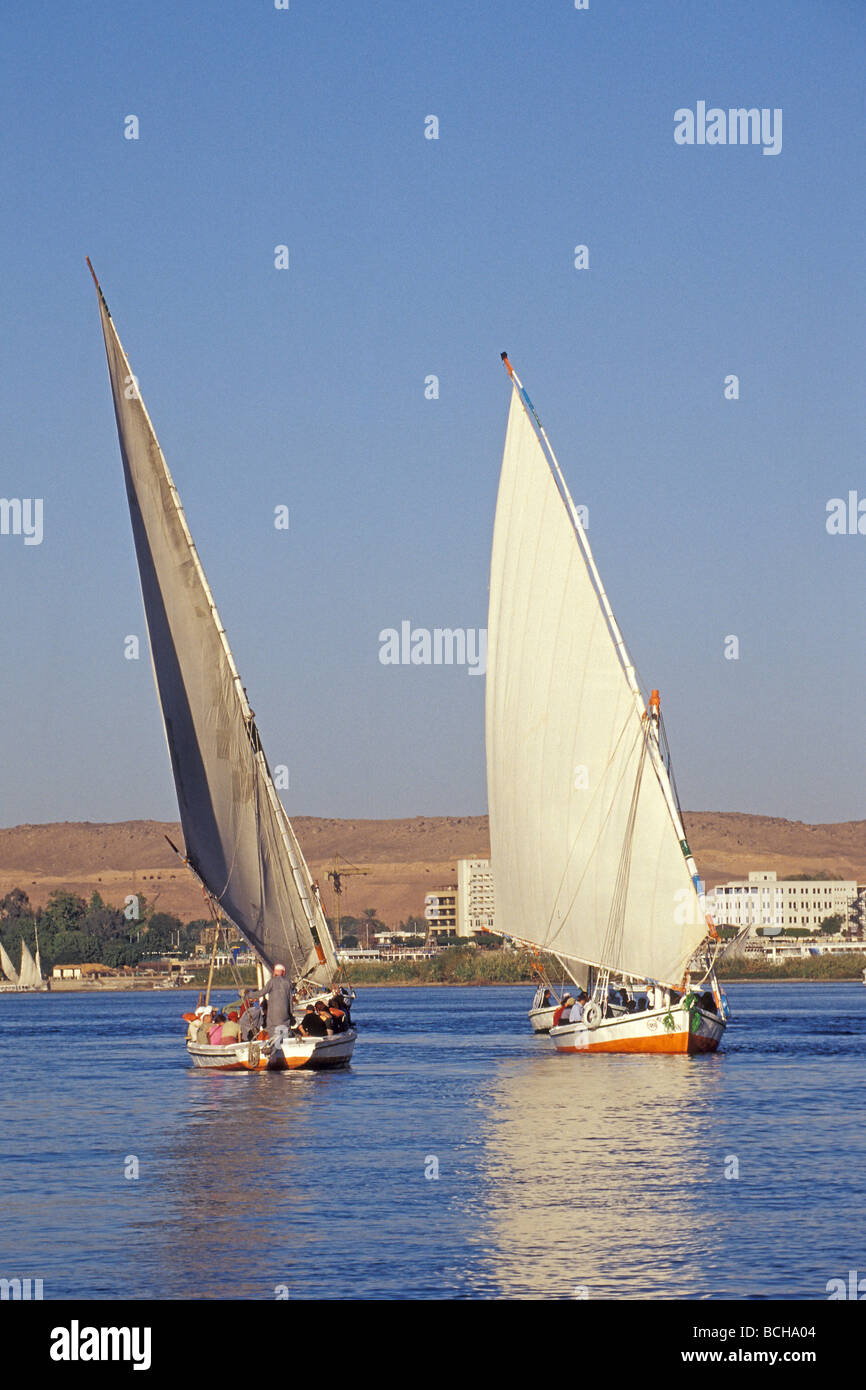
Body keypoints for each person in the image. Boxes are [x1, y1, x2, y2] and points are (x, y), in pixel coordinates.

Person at [249, 963, 295, 1042]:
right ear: (283, 972)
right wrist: (291, 1015)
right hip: (285, 1017)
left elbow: (261, 993)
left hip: (273, 1017)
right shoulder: (288, 982)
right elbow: (290, 1001)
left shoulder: (271, 981)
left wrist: (248, 995)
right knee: (284, 1038)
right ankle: (284, 1048)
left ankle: (275, 1050)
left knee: (273, 1036)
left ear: (275, 972)